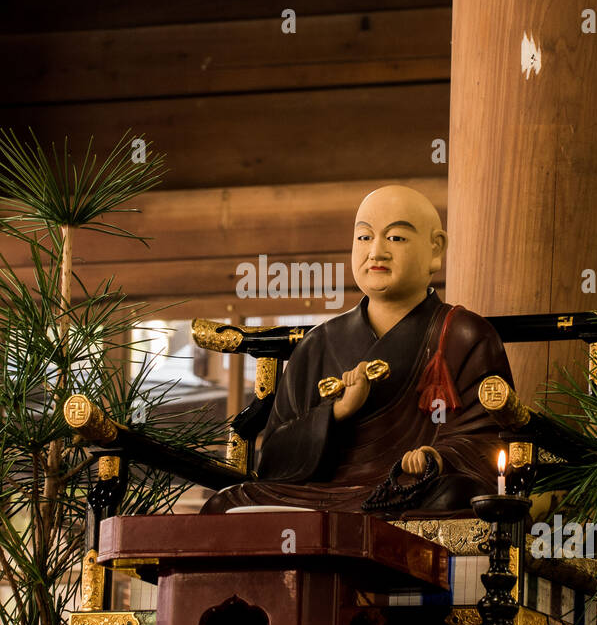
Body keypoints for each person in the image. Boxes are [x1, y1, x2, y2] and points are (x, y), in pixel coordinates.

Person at [201, 184, 513, 518]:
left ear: (435, 249)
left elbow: (489, 440)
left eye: (396, 238)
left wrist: (436, 459)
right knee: (228, 502)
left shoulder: (463, 334)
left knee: (455, 495)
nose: (376, 252)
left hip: (407, 491)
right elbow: (276, 460)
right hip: (323, 497)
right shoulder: (320, 342)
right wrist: (337, 413)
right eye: (364, 238)